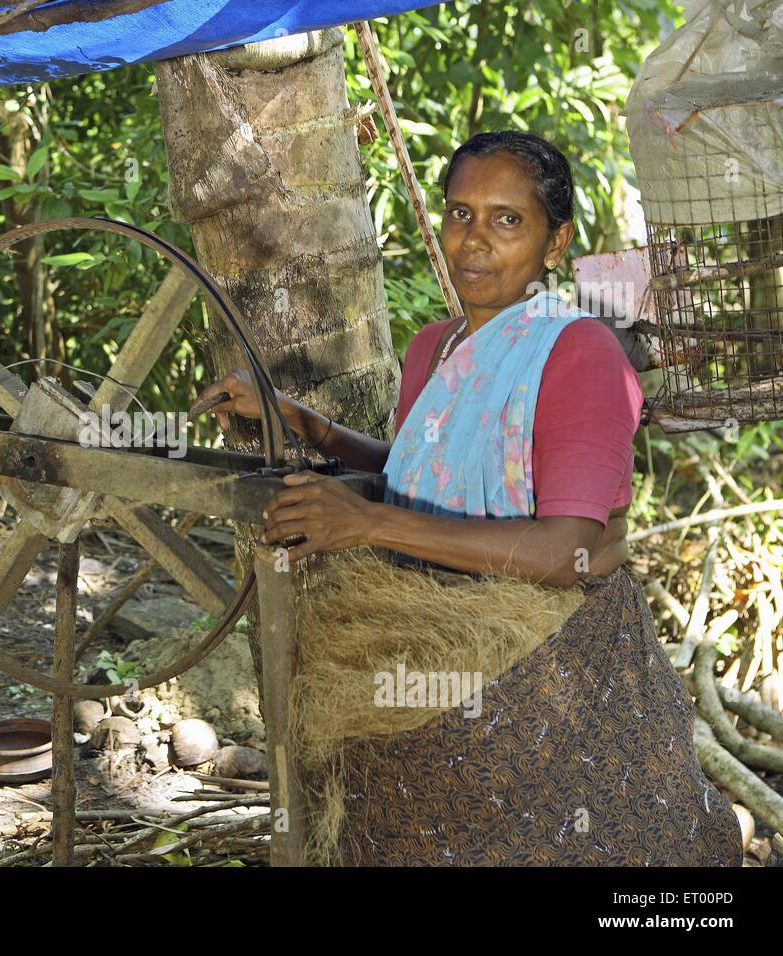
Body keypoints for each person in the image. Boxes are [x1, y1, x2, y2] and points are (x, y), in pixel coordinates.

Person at [192, 130, 742, 865]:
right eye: (460, 214)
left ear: (557, 243)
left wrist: (367, 523)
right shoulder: (434, 348)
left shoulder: (579, 352)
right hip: (428, 641)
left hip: (551, 660)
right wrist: (303, 422)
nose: (475, 240)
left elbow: (565, 550)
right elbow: (427, 473)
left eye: (507, 219)